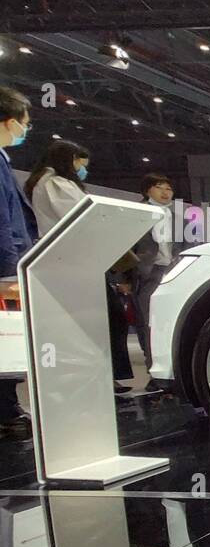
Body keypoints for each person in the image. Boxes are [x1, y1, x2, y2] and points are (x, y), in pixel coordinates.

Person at [25, 139, 134, 391]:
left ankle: (101, 375)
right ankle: (96, 375)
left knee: (102, 317)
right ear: (68, 160)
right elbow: (81, 216)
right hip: (73, 258)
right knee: (102, 318)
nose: (82, 170)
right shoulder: (54, 183)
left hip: (75, 259)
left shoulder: (47, 183)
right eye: (79, 165)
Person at [0, 86, 37, 436]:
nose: (25, 130)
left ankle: (9, 410)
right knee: (5, 339)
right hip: (3, 267)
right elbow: (2, 220)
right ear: (10, 121)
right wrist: (10, 271)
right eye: (25, 123)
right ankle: (7, 412)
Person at [133, 172, 176, 381]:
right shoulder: (136, 213)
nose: (165, 192)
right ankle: (153, 373)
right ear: (148, 190)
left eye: (168, 188)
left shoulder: (177, 217)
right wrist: (121, 279)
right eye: (160, 187)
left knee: (169, 322)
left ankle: (171, 371)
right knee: (148, 324)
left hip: (173, 272)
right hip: (148, 274)